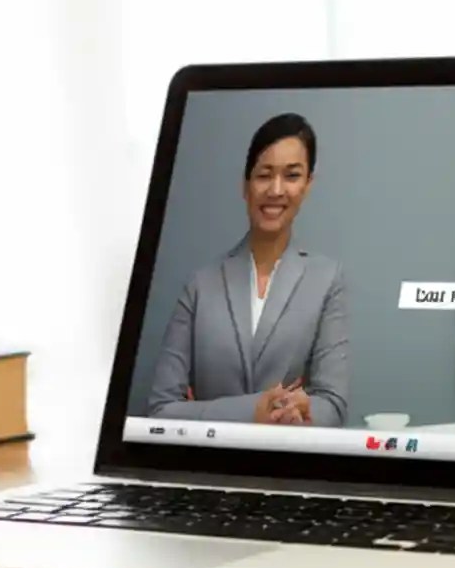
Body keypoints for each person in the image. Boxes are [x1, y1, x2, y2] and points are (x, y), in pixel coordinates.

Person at [146, 112, 348, 427]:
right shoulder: (201, 284)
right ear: (246, 185)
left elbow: (333, 405)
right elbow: (161, 409)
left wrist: (302, 410)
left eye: (292, 176)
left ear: (308, 185)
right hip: (206, 468)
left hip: (291, 468)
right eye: (264, 174)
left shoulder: (327, 279)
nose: (276, 190)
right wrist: (253, 410)